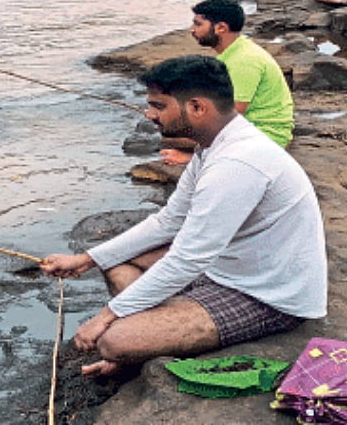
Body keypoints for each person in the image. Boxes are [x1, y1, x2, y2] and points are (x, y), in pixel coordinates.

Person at [41, 55, 328, 377]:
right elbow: (169, 221)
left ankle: (151, 333)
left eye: (158, 106)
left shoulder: (237, 163)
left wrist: (107, 316)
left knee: (113, 341)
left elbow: (189, 257)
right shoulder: (212, 147)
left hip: (266, 295)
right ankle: (159, 328)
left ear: (197, 107)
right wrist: (86, 259)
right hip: (227, 269)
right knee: (116, 262)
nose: (149, 114)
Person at [159, 0, 294, 165]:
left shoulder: (243, 60)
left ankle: (194, 159)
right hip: (251, 128)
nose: (192, 30)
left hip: (266, 135)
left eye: (198, 24)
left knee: (174, 135)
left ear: (221, 28)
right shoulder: (235, 51)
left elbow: (232, 115)